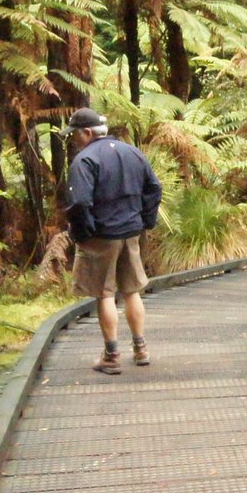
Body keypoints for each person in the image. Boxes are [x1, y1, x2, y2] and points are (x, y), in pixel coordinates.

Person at [65, 107, 163, 375]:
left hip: (101, 236)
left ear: (87, 133)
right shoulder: (131, 152)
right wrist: (145, 221)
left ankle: (111, 355)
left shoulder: (84, 160)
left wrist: (84, 233)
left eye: (75, 134)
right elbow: (154, 188)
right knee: (131, 290)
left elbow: (80, 202)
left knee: (104, 293)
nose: (74, 139)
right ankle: (141, 349)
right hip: (131, 231)